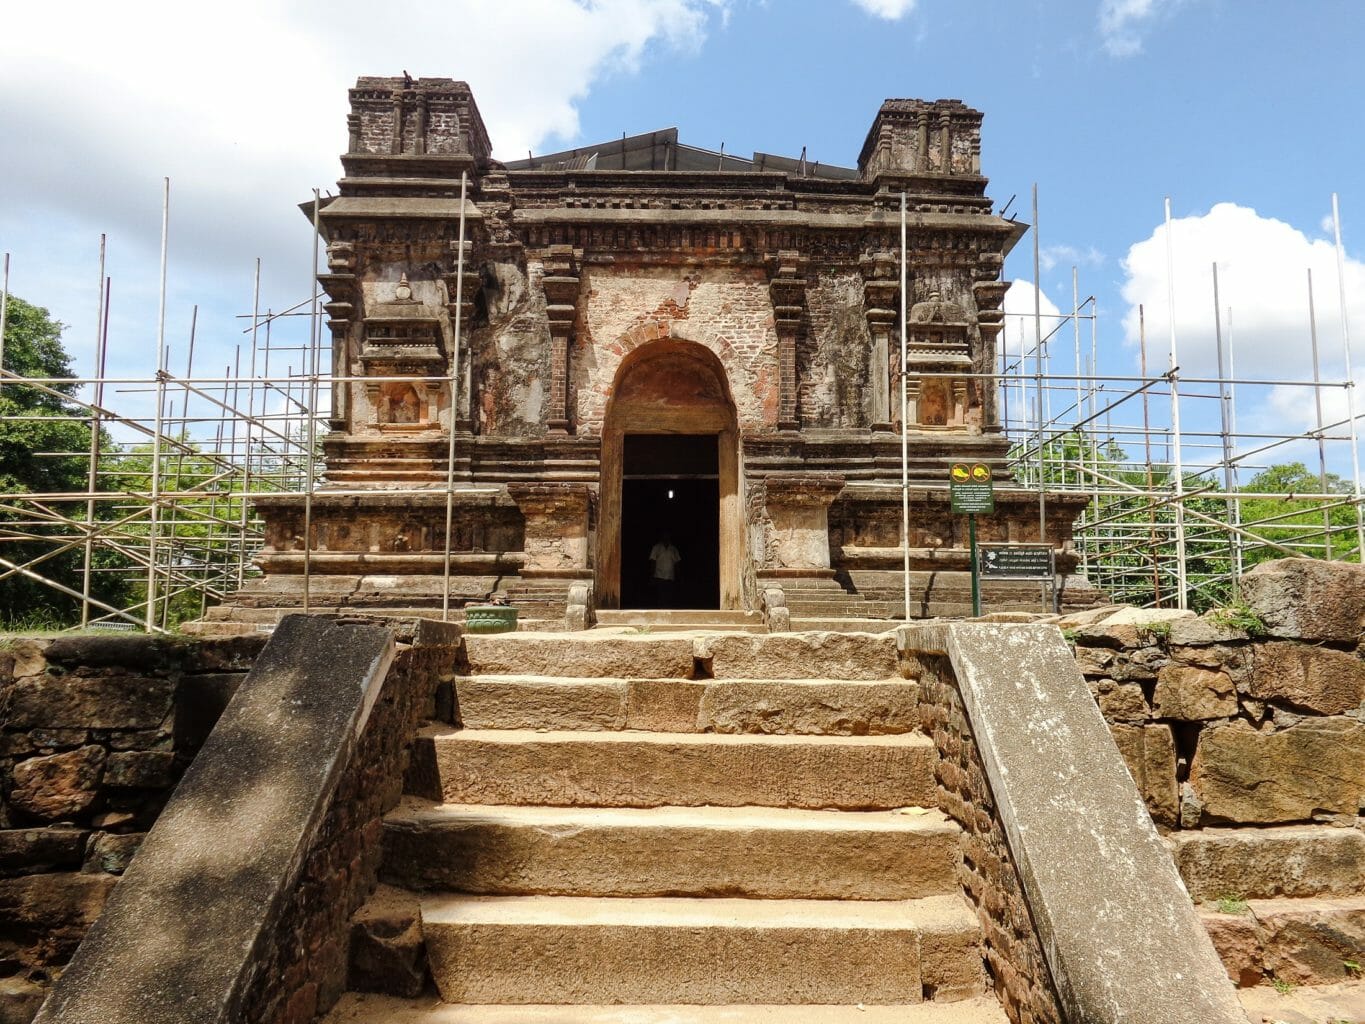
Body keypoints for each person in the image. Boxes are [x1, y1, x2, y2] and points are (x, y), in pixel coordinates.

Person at [648, 532, 682, 607]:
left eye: (667, 535)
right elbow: (653, 562)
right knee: (660, 597)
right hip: (659, 576)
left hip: (670, 577)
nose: (666, 537)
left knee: (669, 597)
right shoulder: (656, 547)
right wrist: (652, 576)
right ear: (662, 536)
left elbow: (677, 563)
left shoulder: (673, 549)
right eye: (664, 535)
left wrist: (678, 576)